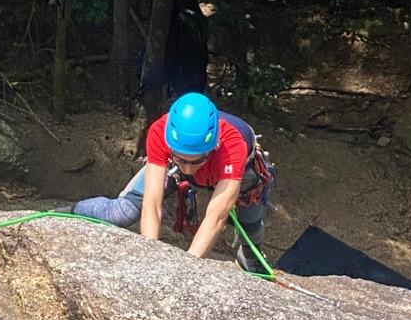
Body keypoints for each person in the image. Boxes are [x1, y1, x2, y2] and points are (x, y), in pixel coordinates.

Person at [73, 92, 274, 269]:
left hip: (243, 170)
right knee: (123, 211)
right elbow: (151, 203)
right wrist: (150, 256)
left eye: (196, 160)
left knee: (251, 227)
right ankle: (63, 212)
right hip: (174, 164)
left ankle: (252, 260)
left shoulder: (232, 145)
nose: (188, 168)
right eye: (182, 159)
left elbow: (216, 216)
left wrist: (185, 269)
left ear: (215, 144)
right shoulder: (160, 132)